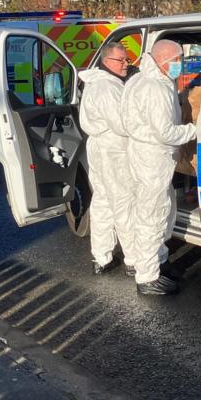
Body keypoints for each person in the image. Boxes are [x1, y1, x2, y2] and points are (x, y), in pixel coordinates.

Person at [121, 39, 197, 296]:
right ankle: (148, 276)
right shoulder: (155, 87)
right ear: (164, 60)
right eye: (177, 60)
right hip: (153, 156)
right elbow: (165, 132)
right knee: (151, 215)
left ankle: (159, 262)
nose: (180, 65)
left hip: (146, 154)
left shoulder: (141, 80)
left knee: (160, 211)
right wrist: (195, 130)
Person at [78, 41, 135, 277]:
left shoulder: (99, 84)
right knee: (124, 202)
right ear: (106, 61)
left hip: (101, 147)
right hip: (113, 149)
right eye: (120, 61)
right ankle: (134, 259)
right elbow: (122, 124)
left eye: (127, 60)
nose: (125, 65)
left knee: (103, 202)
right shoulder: (107, 88)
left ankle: (102, 256)